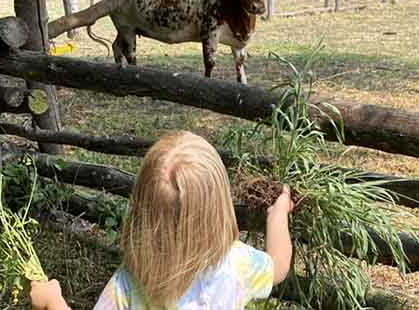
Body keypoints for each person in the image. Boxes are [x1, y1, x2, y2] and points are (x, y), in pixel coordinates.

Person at [31, 130, 294, 309]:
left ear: (142, 213)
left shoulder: (131, 284)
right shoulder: (237, 264)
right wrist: (277, 214)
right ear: (219, 210)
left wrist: (53, 301)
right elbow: (279, 266)